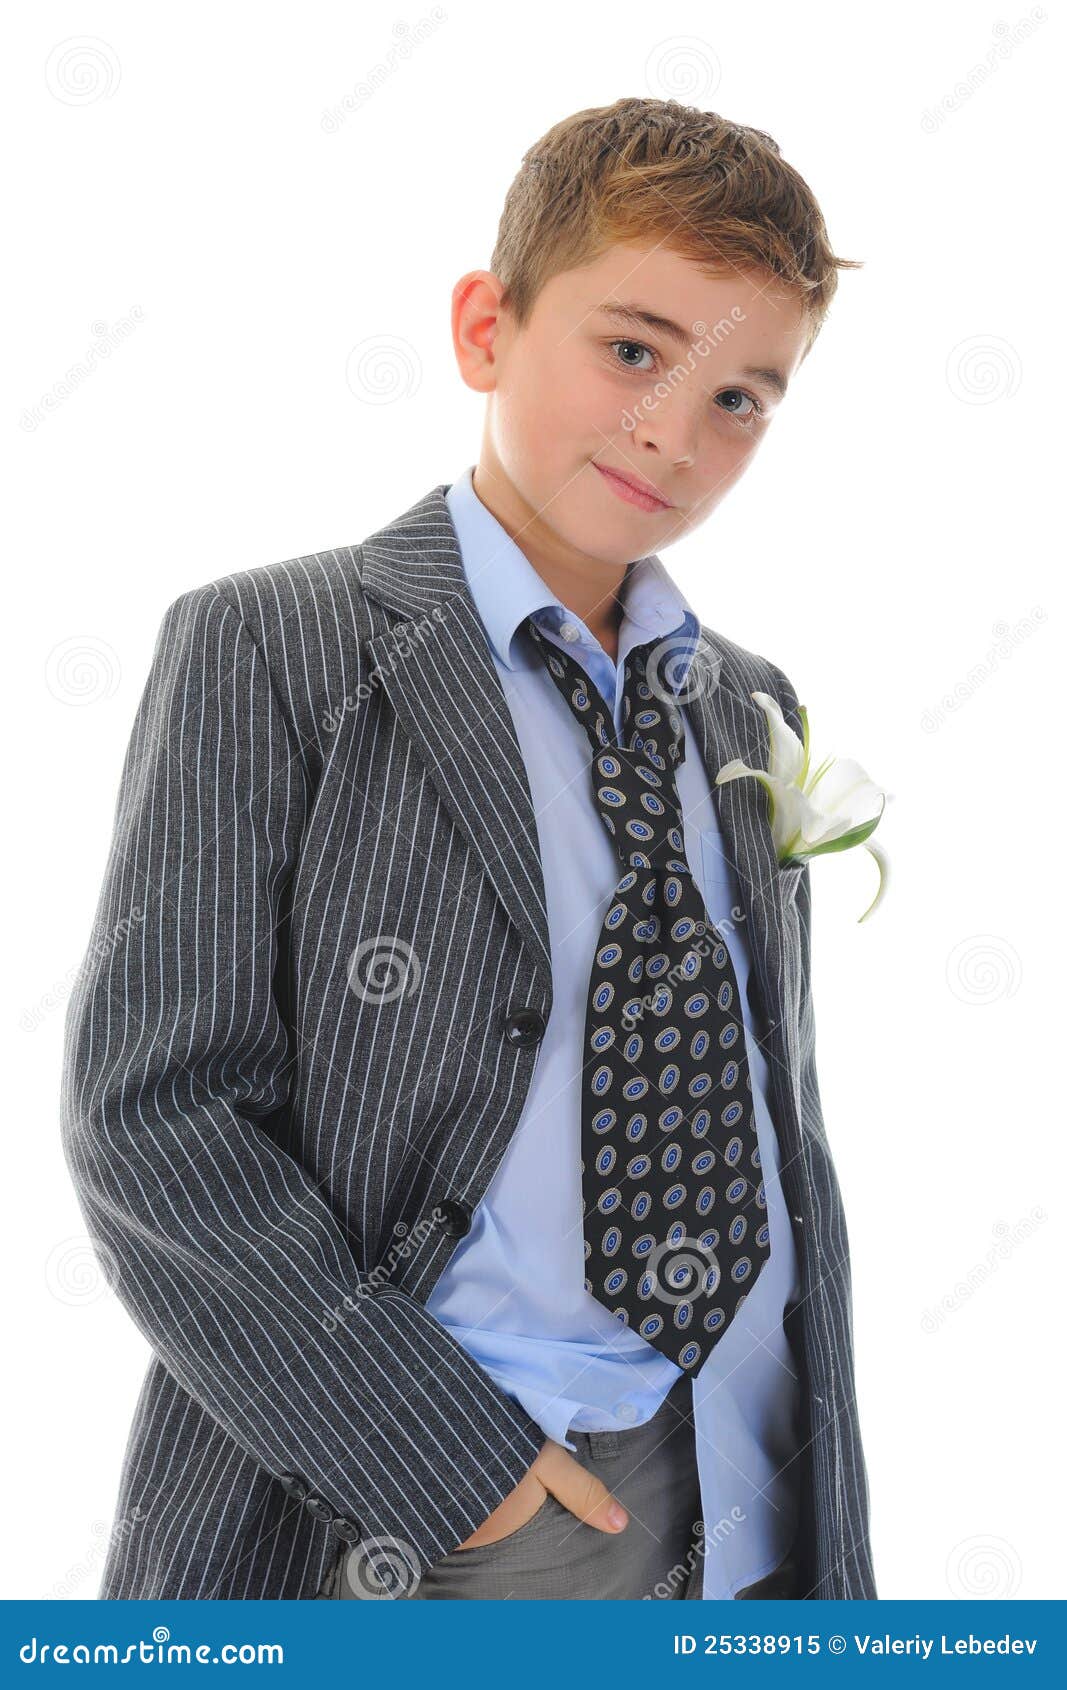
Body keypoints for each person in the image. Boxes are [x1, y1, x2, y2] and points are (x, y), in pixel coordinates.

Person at [60, 96, 875, 1601]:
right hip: (441, 1490)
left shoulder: (747, 708)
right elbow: (157, 1115)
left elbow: (771, 1102)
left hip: (754, 1481)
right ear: (485, 327)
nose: (671, 432)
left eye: (742, 397)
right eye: (633, 350)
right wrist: (456, 1468)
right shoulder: (276, 647)